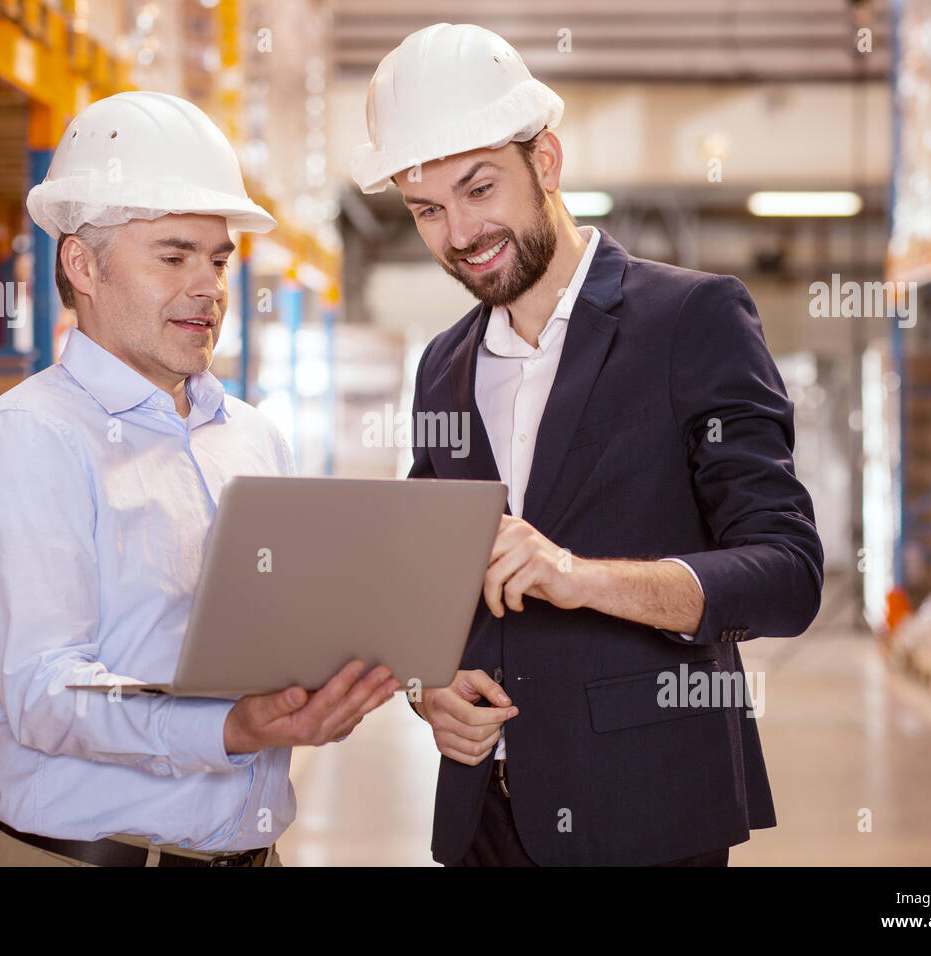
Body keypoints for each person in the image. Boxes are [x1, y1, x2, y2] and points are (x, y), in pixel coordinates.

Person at [352, 24, 824, 866]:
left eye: (479, 186)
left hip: (644, 813)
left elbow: (787, 575)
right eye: (427, 209)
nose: (459, 233)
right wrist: (428, 687)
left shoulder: (691, 320)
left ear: (548, 162)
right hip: (482, 823)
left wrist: (580, 578)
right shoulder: (441, 367)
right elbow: (429, 578)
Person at [0, 91, 399, 868]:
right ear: (83, 264)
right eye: (174, 256)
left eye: (218, 260)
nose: (210, 286)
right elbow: (48, 692)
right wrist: (230, 729)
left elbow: (274, 638)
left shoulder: (251, 437)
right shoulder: (31, 439)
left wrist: (324, 688)